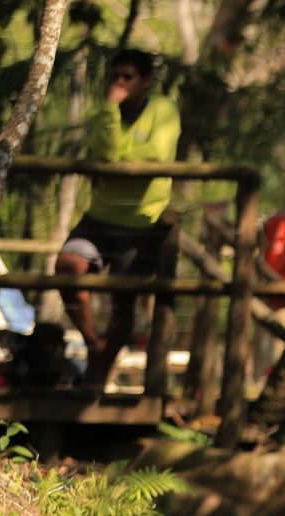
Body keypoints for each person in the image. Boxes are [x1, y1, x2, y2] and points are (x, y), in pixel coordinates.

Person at [54, 49, 181, 389]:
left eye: (128, 77)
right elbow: (106, 154)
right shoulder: (104, 112)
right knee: (68, 267)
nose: (120, 83)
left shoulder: (163, 111)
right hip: (99, 216)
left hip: (142, 221)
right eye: (116, 76)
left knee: (123, 302)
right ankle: (94, 343)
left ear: (146, 81)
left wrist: (118, 166)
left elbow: (156, 157)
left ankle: (99, 372)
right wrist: (110, 109)